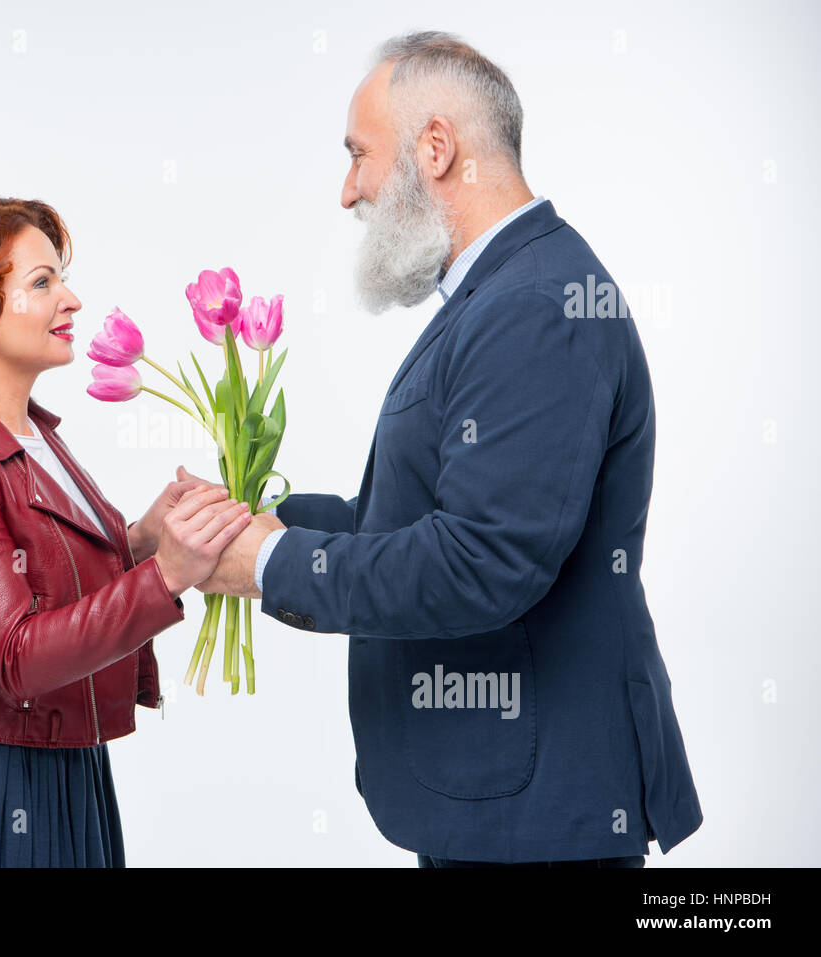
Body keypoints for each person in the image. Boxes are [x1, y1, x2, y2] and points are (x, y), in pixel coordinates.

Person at [193, 31, 703, 866]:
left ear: (436, 148)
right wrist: (261, 523)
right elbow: (421, 516)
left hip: (533, 818)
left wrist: (270, 563)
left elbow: (480, 559)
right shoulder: (507, 290)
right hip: (506, 807)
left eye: (359, 155)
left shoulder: (537, 306)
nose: (349, 189)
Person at [0, 195, 251, 867]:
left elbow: (38, 575)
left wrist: (139, 541)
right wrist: (166, 577)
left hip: (69, 773)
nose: (71, 300)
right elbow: (16, 654)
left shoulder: (36, 435)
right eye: (42, 282)